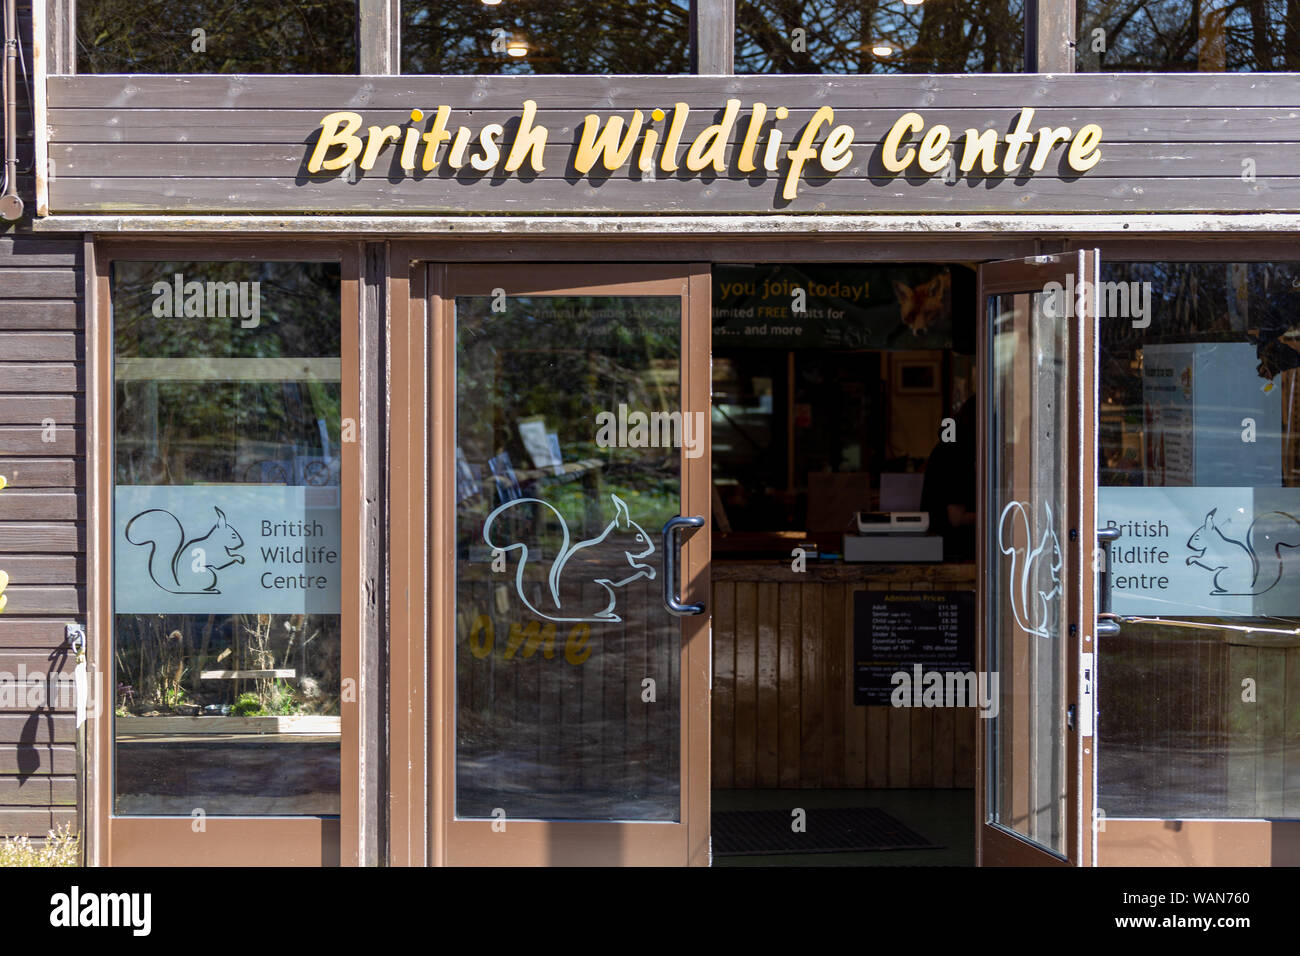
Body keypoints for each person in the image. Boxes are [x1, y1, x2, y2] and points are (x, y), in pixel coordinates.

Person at [920, 396, 976, 561]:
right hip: (952, 552)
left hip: (939, 548)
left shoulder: (948, 445)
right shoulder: (958, 454)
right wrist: (998, 514)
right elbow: (957, 518)